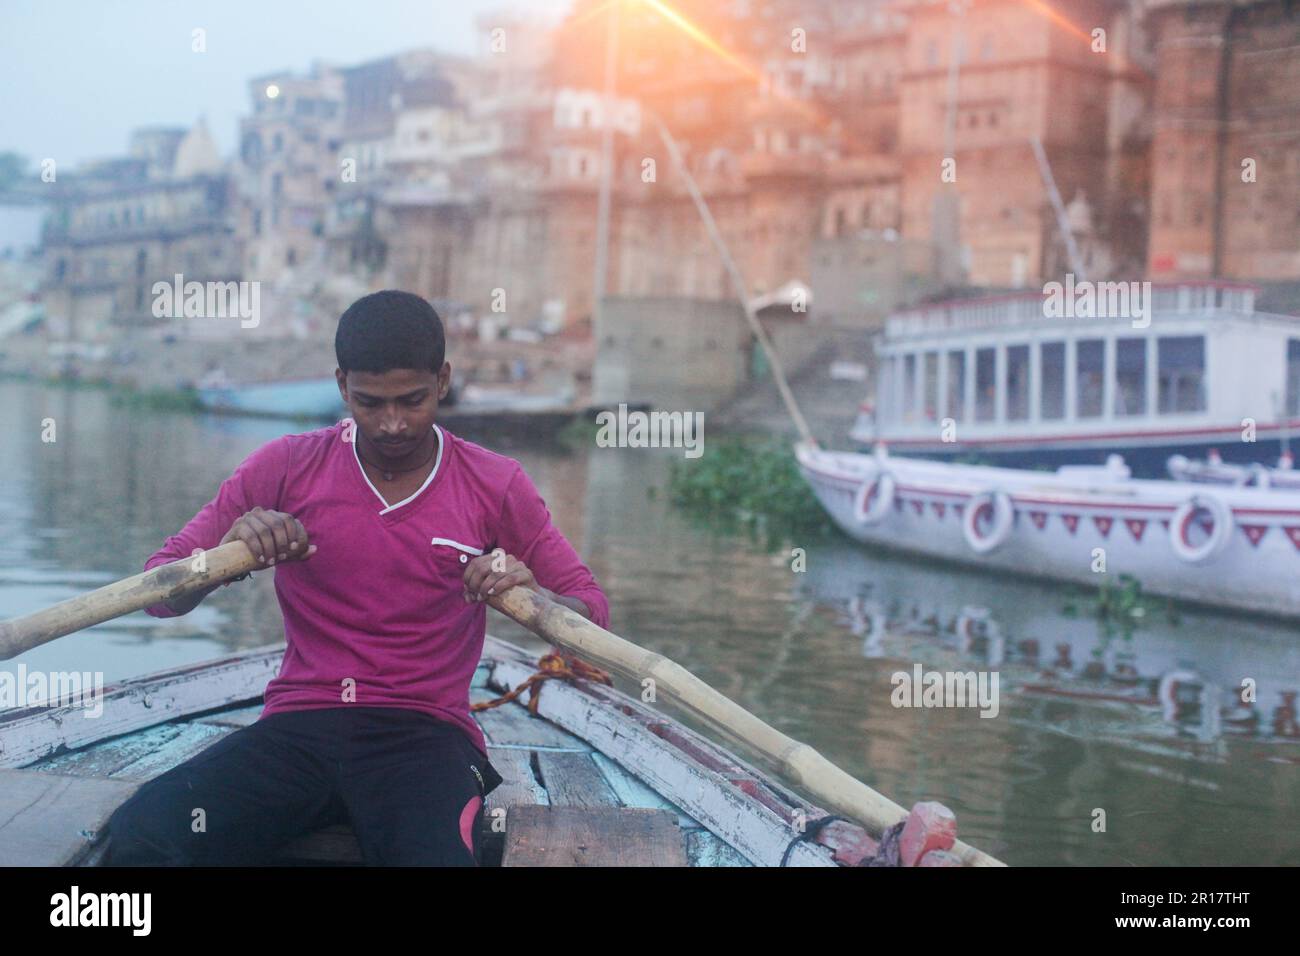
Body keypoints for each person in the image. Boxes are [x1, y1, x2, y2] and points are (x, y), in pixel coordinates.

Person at [105, 290, 610, 866]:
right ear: (342, 385)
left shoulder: (495, 482)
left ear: (443, 380)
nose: (392, 423)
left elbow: (592, 609)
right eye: (369, 403)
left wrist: (536, 597)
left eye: (412, 400)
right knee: (142, 836)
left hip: (426, 737)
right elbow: (159, 593)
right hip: (300, 729)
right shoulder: (285, 465)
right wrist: (224, 556)